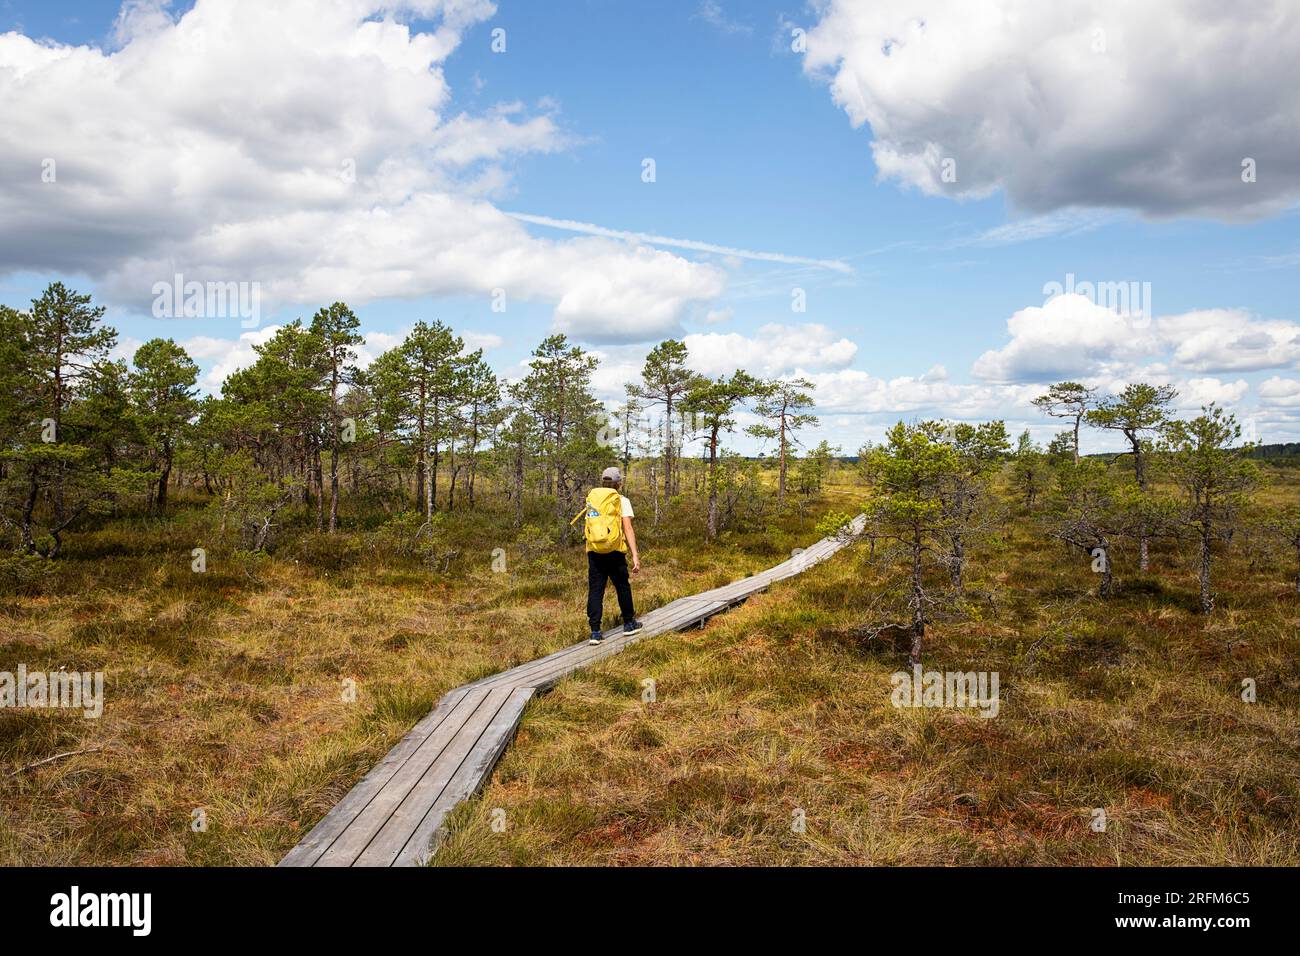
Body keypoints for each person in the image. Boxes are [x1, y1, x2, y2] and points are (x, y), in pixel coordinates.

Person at [583, 466, 643, 644]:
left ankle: (595, 632)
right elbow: (628, 528)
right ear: (619, 483)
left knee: (595, 590)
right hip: (615, 551)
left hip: (594, 551)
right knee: (622, 586)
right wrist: (635, 556)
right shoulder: (621, 500)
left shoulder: (592, 499)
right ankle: (629, 623)